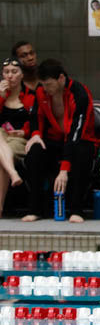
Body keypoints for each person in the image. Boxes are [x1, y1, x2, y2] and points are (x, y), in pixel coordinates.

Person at [22, 59, 97, 223]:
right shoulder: (41, 91)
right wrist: (35, 134)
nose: (46, 89)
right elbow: (35, 116)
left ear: (61, 78)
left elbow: (76, 133)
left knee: (81, 152)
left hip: (80, 140)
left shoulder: (80, 93)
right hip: (55, 140)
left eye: (49, 84)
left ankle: (77, 209)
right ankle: (35, 209)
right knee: (35, 150)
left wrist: (64, 170)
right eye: (43, 84)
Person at [0, 57, 34, 216]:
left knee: (2, 160)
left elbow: (37, 122)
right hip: (1, 136)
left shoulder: (30, 96)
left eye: (14, 72)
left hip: (18, 140)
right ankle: (13, 174)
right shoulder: (0, 94)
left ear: (22, 75)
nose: (10, 76)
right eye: (6, 72)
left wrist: (24, 132)